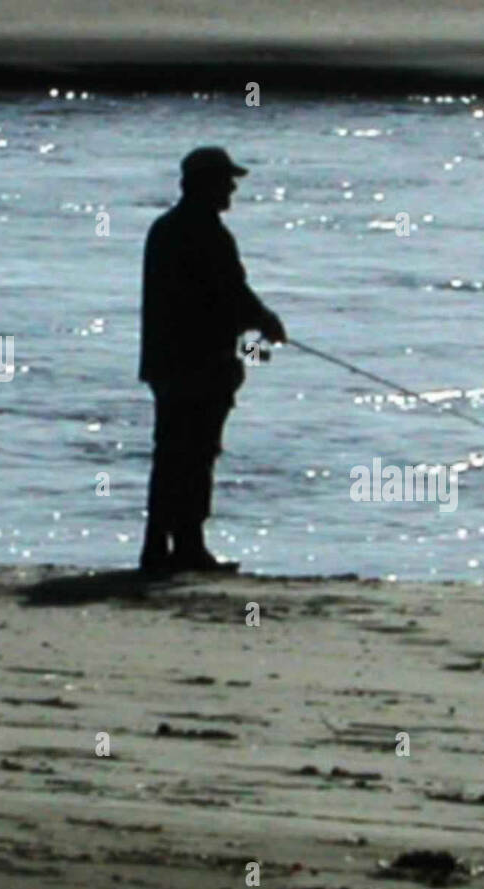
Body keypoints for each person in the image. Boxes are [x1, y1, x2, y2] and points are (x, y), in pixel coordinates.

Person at [138, 146, 286, 574]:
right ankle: (186, 547)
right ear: (205, 184)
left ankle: (159, 548)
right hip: (200, 363)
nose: (232, 188)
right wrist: (265, 322)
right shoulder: (207, 232)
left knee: (171, 455)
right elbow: (230, 295)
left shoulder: (164, 228)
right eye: (225, 180)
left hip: (165, 363)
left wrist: (255, 328)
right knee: (195, 455)